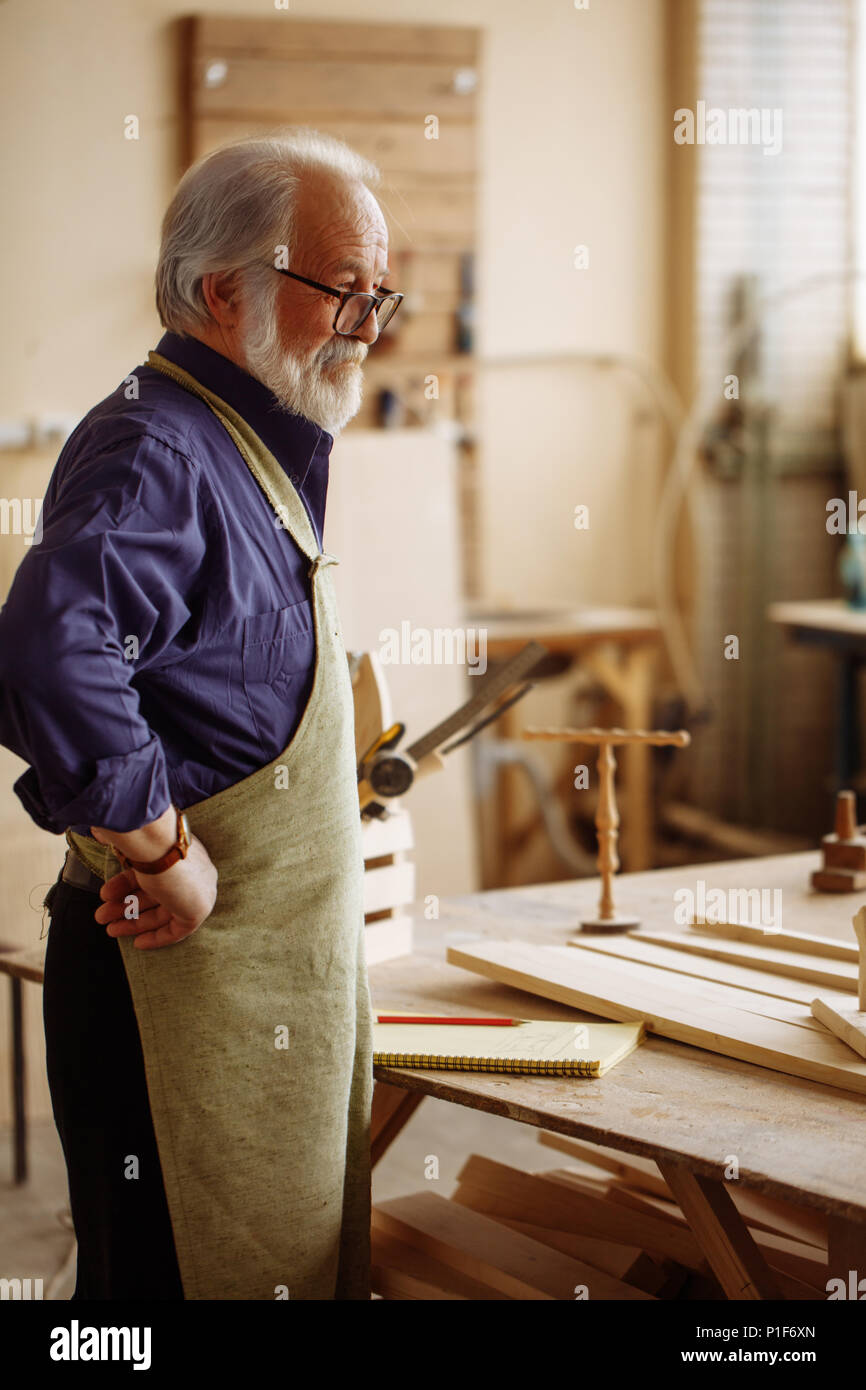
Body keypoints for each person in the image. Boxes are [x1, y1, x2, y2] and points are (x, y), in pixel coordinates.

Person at [0, 128, 402, 1300]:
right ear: (223, 291)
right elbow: (48, 649)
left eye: (379, 296)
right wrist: (160, 846)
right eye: (339, 290)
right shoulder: (156, 447)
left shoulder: (246, 442)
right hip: (168, 992)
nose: (365, 326)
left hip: (257, 997)